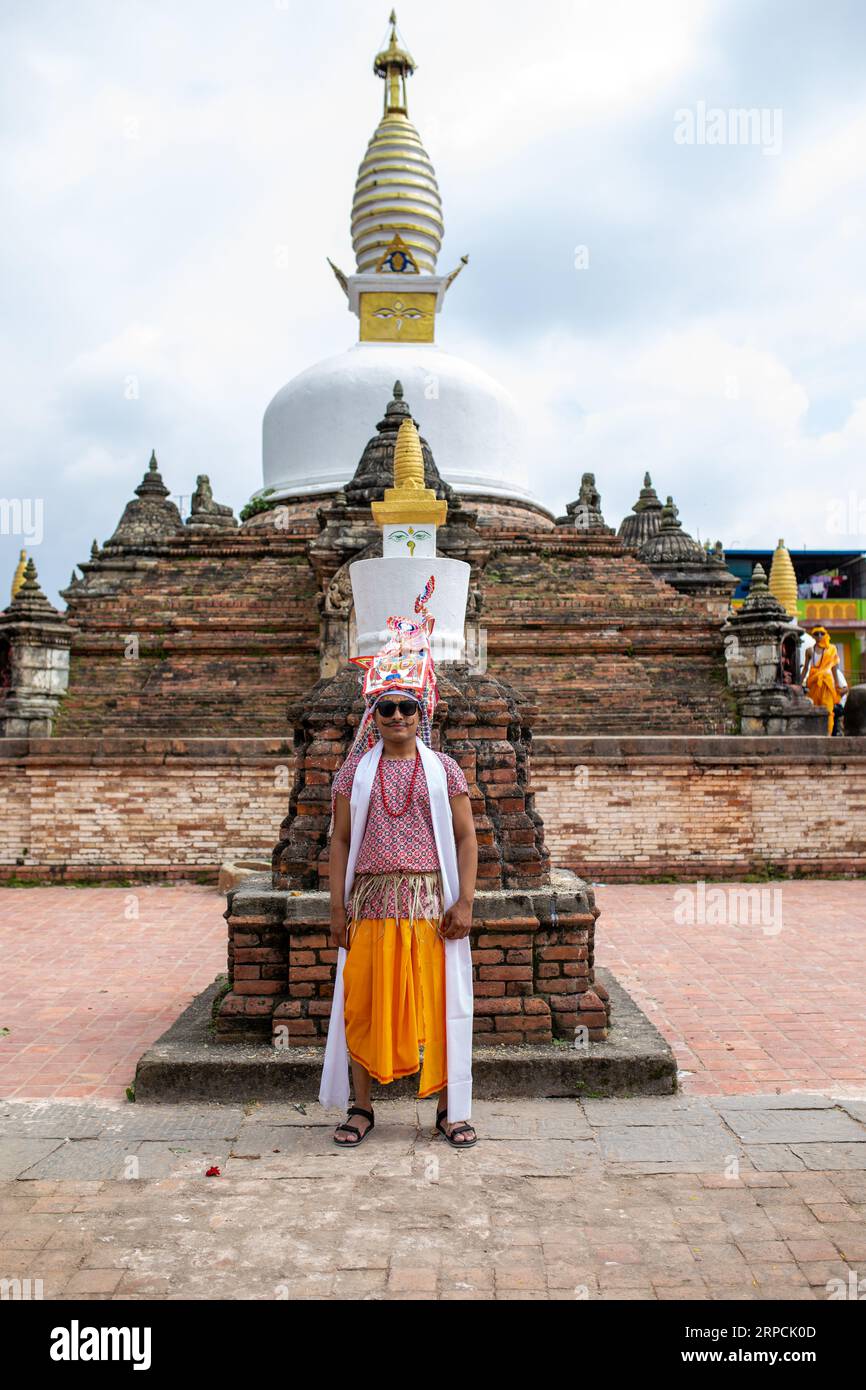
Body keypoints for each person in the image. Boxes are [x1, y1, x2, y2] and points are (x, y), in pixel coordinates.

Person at [319, 583, 478, 1149]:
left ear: (420, 712)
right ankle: (361, 1107)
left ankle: (448, 1110)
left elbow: (465, 837)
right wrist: (336, 909)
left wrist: (465, 902)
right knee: (362, 1002)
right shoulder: (352, 773)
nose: (395, 715)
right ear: (373, 714)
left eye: (406, 706)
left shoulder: (445, 769)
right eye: (384, 707)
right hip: (369, 905)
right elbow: (338, 842)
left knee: (438, 1008)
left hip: (430, 905)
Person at [802, 626, 841, 734]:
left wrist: (837, 685)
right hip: (813, 684)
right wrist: (799, 683)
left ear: (826, 634)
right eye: (816, 633)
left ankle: (827, 735)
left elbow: (834, 668)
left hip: (826, 684)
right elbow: (806, 668)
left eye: (822, 633)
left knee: (828, 710)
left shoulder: (831, 649)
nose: (819, 636)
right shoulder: (809, 650)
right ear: (813, 635)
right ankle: (815, 734)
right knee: (813, 710)